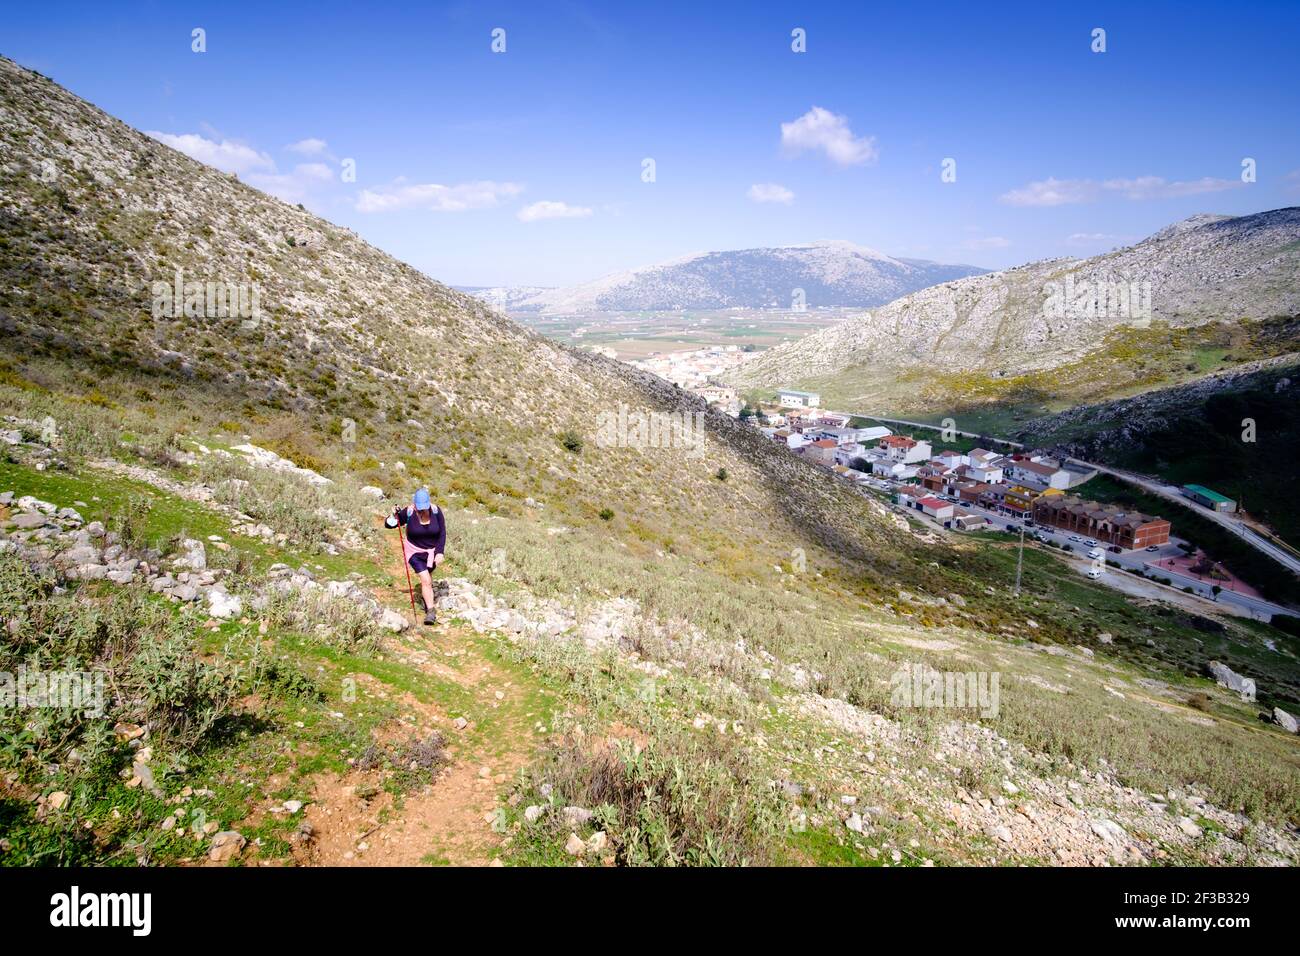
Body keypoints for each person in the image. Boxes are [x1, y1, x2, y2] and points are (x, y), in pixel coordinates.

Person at [385, 488, 445, 625]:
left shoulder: (436, 511)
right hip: (414, 552)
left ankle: (426, 597)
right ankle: (431, 612)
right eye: (420, 507)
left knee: (428, 579)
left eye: (424, 507)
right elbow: (389, 525)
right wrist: (394, 515)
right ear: (415, 504)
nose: (422, 510)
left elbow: (442, 533)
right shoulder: (409, 512)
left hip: (432, 553)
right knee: (425, 579)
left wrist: (440, 552)